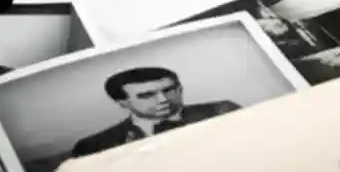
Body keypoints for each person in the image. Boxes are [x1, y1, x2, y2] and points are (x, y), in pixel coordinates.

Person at [71, 67, 241, 157]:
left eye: (169, 90)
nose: (162, 100)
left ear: (180, 88)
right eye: (147, 95)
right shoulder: (93, 146)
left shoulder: (222, 111)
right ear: (123, 103)